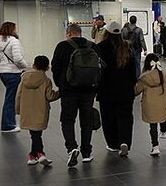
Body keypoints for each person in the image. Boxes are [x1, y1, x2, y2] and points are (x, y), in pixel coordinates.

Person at [52, 23, 99, 167]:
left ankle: (72, 147)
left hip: (68, 91)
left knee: (67, 119)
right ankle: (86, 152)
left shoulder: (62, 46)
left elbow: (55, 68)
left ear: (68, 33)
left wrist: (60, 84)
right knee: (86, 120)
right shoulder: (92, 46)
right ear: (80, 33)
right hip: (89, 90)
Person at [98, 21, 138, 157]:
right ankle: (124, 141)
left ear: (106, 33)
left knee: (108, 118)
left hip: (106, 92)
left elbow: (98, 72)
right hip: (125, 91)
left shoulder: (100, 48)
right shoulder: (128, 47)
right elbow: (134, 72)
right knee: (125, 117)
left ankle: (112, 144)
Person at [16, 55, 59, 166]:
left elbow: (18, 95)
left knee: (34, 134)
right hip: (40, 111)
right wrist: (60, 93)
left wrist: (17, 109)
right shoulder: (46, 80)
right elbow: (50, 96)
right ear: (47, 67)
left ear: (34, 65)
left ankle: (32, 156)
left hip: (27, 111)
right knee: (37, 134)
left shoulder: (24, 78)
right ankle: (40, 153)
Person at [135, 53, 166, 156]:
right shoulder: (163, 74)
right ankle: (163, 130)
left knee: (152, 125)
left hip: (149, 104)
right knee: (162, 117)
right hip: (162, 101)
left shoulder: (144, 77)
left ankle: (155, 146)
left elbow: (136, 91)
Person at [0, 22, 30, 133]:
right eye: (15, 29)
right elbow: (18, 59)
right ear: (11, 30)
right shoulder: (14, 41)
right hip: (13, 73)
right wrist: (26, 66)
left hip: (3, 73)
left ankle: (11, 123)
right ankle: (8, 125)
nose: (16, 31)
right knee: (10, 100)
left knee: (10, 98)